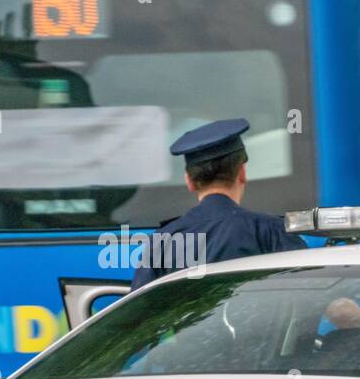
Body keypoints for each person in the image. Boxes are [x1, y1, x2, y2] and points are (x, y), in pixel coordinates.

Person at [131, 118, 306, 290]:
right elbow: (305, 295)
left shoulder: (164, 240)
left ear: (190, 182)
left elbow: (139, 310)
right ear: (242, 173)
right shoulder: (272, 230)